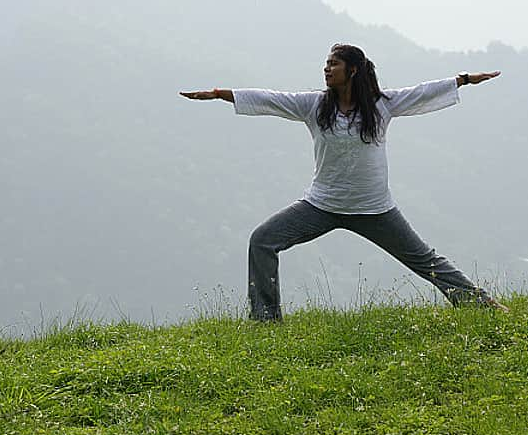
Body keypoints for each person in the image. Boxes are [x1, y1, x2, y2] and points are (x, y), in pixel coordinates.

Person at [180, 43, 506, 321]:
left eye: (333, 64)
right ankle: (265, 321)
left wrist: (463, 80)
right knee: (263, 240)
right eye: (326, 64)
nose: (326, 69)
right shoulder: (314, 105)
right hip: (322, 204)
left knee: (425, 260)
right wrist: (221, 94)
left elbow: (421, 92)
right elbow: (271, 99)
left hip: (374, 208)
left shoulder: (381, 105)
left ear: (352, 70)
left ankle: (482, 305)